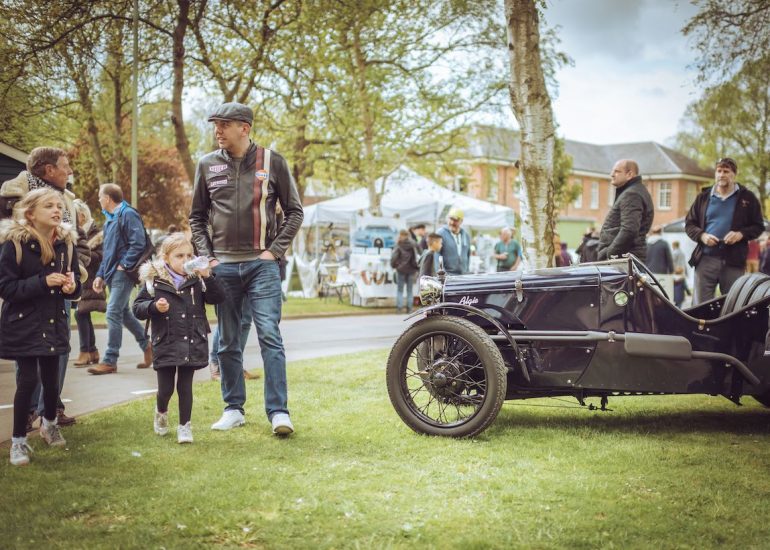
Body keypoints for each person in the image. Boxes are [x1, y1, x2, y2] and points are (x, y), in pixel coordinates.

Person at [189, 102, 303, 435]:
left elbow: (294, 211)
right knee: (227, 341)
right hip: (222, 266)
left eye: (224, 124)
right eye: (215, 125)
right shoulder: (207, 165)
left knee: (270, 335)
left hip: (261, 266)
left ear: (245, 128)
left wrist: (274, 251)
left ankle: (279, 412)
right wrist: (208, 257)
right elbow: (197, 217)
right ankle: (233, 408)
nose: (217, 131)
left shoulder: (273, 161)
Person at [0, 147, 89, 428]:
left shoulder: (68, 201)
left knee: (57, 353)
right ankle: (27, 412)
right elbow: (7, 239)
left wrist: (77, 269)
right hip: (27, 288)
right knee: (29, 352)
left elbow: (79, 240)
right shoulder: (14, 194)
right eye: (65, 166)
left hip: (60, 287)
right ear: (49, 170)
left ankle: (52, 408)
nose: (70, 171)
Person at [0, 188, 81, 466]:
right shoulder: (14, 244)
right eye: (49, 206)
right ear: (31, 213)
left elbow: (74, 285)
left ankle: (49, 424)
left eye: (59, 206)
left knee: (51, 381)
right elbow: (6, 287)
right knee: (27, 381)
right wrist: (43, 282)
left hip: (54, 321)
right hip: (24, 324)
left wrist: (71, 287)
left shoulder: (67, 244)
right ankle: (19, 442)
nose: (57, 210)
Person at [132, 233, 226, 444]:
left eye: (189, 255)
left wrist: (208, 277)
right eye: (179, 256)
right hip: (165, 340)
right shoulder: (153, 280)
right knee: (166, 389)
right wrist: (154, 307)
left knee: (185, 387)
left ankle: (185, 426)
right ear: (166, 258)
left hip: (191, 339)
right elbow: (137, 308)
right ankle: (161, 411)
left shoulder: (197, 279)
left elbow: (218, 297)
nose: (186, 260)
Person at [87, 183, 152, 374]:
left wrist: (124, 265)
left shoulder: (127, 214)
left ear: (107, 198)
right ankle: (148, 347)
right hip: (113, 273)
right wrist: (100, 275)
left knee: (113, 312)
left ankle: (110, 360)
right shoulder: (110, 219)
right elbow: (108, 253)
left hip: (123, 273)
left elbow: (138, 243)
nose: (99, 200)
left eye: (100, 196)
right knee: (123, 313)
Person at [685, 157, 764, 304]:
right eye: (719, 171)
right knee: (701, 307)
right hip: (705, 260)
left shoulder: (748, 198)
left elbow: (758, 226)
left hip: (733, 262)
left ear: (734, 174)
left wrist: (741, 234)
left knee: (733, 305)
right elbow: (689, 224)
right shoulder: (703, 198)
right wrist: (702, 236)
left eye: (726, 171)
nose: (721, 174)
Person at [597, 159, 654, 262]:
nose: (612, 174)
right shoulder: (634, 191)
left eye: (617, 171)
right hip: (625, 258)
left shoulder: (631, 195)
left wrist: (609, 254)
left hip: (622, 261)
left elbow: (629, 230)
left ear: (629, 174)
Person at [72, 199, 105, 367]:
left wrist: (85, 255)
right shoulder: (79, 233)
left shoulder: (95, 234)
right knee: (82, 313)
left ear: (82, 216)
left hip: (92, 279)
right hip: (84, 279)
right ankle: (92, 351)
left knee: (80, 313)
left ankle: (86, 351)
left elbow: (101, 256)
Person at [390, 229, 420, 313]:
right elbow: (420, 253)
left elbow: (394, 257)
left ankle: (399, 309)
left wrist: (394, 266)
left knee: (400, 290)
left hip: (400, 269)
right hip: (412, 269)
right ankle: (409, 309)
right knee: (409, 290)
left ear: (401, 235)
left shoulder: (399, 244)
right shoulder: (414, 243)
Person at [437, 207, 471, 275]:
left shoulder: (465, 235)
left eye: (455, 220)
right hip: (447, 276)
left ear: (461, 221)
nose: (452, 222)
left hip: (463, 275)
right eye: (450, 219)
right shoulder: (440, 234)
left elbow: (468, 254)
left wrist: (467, 270)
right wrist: (441, 273)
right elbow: (436, 255)